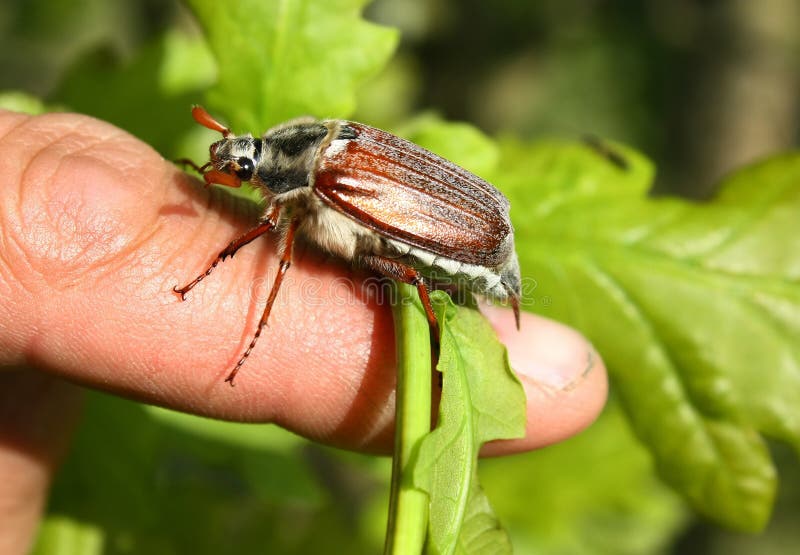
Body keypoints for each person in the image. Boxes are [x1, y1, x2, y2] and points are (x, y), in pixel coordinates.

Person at [0, 109, 607, 554]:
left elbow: (277, 248)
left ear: (283, 167)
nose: (240, 172)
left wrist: (214, 265)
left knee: (380, 275)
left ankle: (433, 328)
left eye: (245, 166)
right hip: (476, 214)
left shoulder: (328, 183)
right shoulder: (316, 150)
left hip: (462, 239)